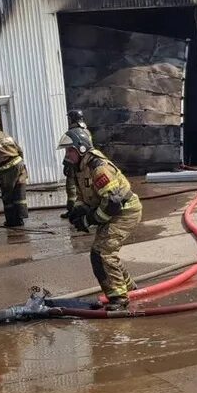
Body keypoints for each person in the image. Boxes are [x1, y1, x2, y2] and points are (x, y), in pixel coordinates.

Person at [58, 128, 142, 311]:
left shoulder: (98, 167)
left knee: (102, 253)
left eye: (70, 150)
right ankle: (129, 288)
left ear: (81, 149)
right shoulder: (79, 168)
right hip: (112, 210)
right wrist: (78, 211)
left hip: (125, 211)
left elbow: (112, 202)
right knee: (105, 251)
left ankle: (119, 298)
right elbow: (83, 196)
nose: (67, 155)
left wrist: (89, 220)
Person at [61, 109, 93, 220]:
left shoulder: (73, 132)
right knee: (83, 186)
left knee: (71, 188)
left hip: (74, 163)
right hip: (85, 162)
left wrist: (66, 163)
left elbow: (70, 150)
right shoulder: (86, 131)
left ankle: (72, 211)